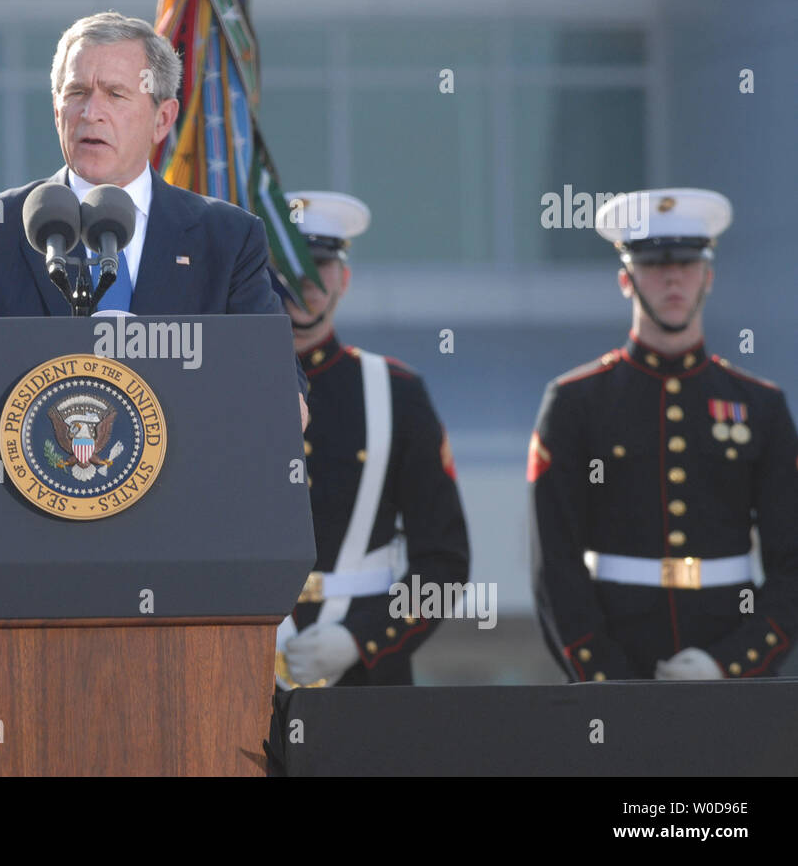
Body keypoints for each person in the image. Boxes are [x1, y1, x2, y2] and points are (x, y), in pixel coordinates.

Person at [0, 11, 308, 412]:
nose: (91, 112)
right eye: (76, 93)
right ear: (57, 111)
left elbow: (281, 393)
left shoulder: (227, 239)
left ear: (162, 119)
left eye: (115, 94)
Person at [530, 188, 797, 681]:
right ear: (626, 280)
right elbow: (555, 562)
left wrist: (730, 665)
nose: (672, 278)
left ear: (708, 277)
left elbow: (792, 565)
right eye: (653, 264)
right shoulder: (575, 402)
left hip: (729, 655)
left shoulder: (761, 406)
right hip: (618, 655)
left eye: (688, 263)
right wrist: (610, 679)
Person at [276, 192, 470, 687]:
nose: (307, 280)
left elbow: (443, 562)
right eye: (290, 264)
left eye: (321, 264)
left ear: (344, 278)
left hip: (367, 680)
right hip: (242, 667)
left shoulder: (398, 392)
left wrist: (362, 638)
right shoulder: (222, 386)